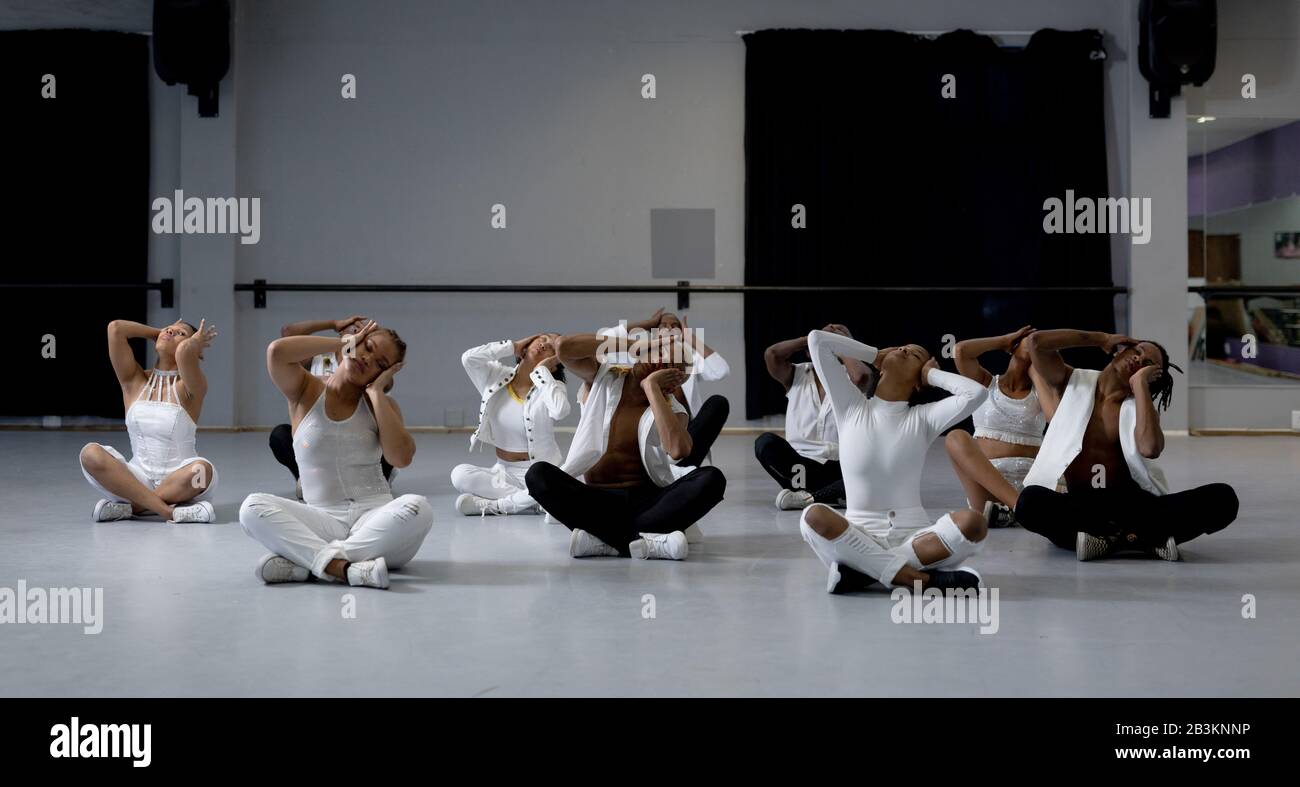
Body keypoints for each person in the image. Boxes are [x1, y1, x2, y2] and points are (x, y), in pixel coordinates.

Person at [1015, 329, 1239, 561]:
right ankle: (1144, 540)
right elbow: (1036, 342)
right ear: (1119, 352)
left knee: (1223, 498)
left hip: (1136, 508)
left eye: (1147, 363)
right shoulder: (1070, 382)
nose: (1138, 359)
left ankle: (1106, 541)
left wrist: (1139, 384)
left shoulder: (1139, 408)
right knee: (1029, 503)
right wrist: (1101, 339)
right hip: (1082, 507)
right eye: (1137, 351)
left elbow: (1150, 448)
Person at [239, 321, 433, 589]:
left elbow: (401, 459)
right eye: (367, 347)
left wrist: (376, 393)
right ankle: (347, 569)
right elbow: (277, 352)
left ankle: (310, 564)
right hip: (323, 519)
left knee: (418, 508)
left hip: (374, 519)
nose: (367, 359)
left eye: (380, 363)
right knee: (251, 507)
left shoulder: (383, 405)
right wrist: (342, 344)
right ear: (356, 340)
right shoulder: (305, 389)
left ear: (385, 374)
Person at [796, 328, 990, 594]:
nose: (902, 350)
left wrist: (932, 375)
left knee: (974, 523)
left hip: (916, 539)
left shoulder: (924, 418)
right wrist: (874, 354)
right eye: (900, 347)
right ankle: (919, 580)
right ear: (881, 367)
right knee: (812, 515)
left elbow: (977, 394)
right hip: (855, 537)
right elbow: (817, 340)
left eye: (914, 354)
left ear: (919, 381)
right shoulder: (851, 407)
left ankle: (863, 574)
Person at [525, 331, 726, 560]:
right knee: (538, 475)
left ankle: (605, 541)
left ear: (674, 379)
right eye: (658, 352)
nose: (660, 361)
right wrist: (634, 343)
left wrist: (652, 388)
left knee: (712, 479)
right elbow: (564, 347)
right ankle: (645, 543)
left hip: (649, 503)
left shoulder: (672, 409)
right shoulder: (604, 377)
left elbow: (678, 450)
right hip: (596, 501)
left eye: (669, 364)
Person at [79, 319, 220, 523]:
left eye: (180, 333)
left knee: (201, 470)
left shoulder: (192, 387)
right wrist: (159, 333)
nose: (170, 331)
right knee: (90, 454)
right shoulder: (133, 381)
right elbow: (115, 328)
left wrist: (191, 345)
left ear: (196, 351)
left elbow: (184, 353)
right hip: (135, 480)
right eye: (168, 328)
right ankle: (169, 511)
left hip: (182, 481)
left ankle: (132, 508)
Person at [268, 315, 394, 498]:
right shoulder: (320, 357)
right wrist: (332, 324)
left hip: (356, 441)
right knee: (280, 435)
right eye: (354, 327)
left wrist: (358, 346)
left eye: (365, 331)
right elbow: (287, 335)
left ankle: (376, 478)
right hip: (318, 437)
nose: (358, 331)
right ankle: (305, 478)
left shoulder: (368, 367)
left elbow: (357, 371)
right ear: (342, 332)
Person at [754, 325, 876, 510]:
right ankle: (828, 494)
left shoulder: (850, 376)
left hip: (840, 465)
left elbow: (861, 377)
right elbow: (772, 354)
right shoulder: (797, 373)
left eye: (832, 347)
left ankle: (810, 497)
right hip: (801, 466)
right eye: (820, 346)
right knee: (765, 442)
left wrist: (844, 345)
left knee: (875, 471)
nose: (824, 351)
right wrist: (812, 338)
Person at [593, 308, 730, 466]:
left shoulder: (690, 358)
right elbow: (602, 340)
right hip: (650, 440)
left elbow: (722, 370)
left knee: (718, 403)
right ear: (653, 333)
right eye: (663, 325)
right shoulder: (638, 359)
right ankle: (664, 466)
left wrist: (691, 338)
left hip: (684, 440)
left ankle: (679, 465)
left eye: (675, 325)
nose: (670, 328)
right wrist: (645, 325)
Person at [451, 333, 569, 516]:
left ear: (555, 362)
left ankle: (501, 505)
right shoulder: (495, 376)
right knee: (459, 475)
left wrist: (543, 372)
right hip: (504, 474)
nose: (545, 344)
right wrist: (511, 347)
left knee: (579, 480)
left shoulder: (551, 387)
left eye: (552, 348)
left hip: (540, 473)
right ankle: (536, 502)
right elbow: (468, 358)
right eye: (543, 338)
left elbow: (560, 410)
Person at [943, 326, 1045, 527]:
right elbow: (961, 351)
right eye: (1031, 341)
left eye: (1041, 346)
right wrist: (1004, 340)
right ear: (1014, 347)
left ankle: (1018, 508)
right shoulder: (985, 383)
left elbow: (1057, 418)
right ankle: (1019, 508)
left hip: (1030, 486)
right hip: (987, 494)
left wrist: (1041, 373)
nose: (1035, 346)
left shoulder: (1043, 392)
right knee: (955, 437)